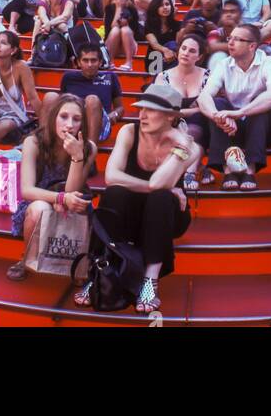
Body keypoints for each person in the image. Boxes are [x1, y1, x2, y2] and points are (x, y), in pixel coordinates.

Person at [76, 83, 193, 315]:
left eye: (151, 110)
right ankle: (99, 271)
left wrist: (165, 187)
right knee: (115, 192)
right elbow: (111, 176)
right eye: (142, 108)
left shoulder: (185, 144)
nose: (142, 114)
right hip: (131, 213)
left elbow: (157, 184)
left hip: (167, 215)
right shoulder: (129, 131)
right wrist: (168, 189)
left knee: (160, 197)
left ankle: (151, 279)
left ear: (170, 116)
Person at [6, 94, 96, 281]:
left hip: (73, 198)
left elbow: (72, 190)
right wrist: (59, 199)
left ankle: (75, 262)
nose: (69, 124)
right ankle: (26, 258)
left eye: (76, 119)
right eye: (63, 116)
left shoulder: (88, 147)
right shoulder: (34, 142)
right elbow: (27, 190)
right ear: (54, 117)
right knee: (40, 209)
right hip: (39, 199)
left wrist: (77, 157)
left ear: (83, 124)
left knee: (81, 207)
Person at [198, 24, 271, 189]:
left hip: (267, 130)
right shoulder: (224, 64)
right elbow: (204, 95)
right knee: (217, 104)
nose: (230, 43)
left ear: (252, 46)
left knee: (260, 102)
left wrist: (240, 113)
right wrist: (218, 116)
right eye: (230, 38)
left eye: (237, 39)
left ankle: (250, 170)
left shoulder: (268, 62)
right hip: (234, 129)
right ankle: (227, 169)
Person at [156, 32, 211, 186]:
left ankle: (189, 173)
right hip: (171, 125)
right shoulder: (163, 77)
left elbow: (210, 107)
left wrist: (198, 111)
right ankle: (196, 168)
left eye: (192, 51)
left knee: (195, 128)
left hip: (201, 127)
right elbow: (165, 111)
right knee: (188, 126)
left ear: (199, 56)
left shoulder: (208, 76)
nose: (186, 53)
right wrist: (196, 109)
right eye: (183, 48)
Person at [52, 41, 124, 144]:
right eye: (85, 60)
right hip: (71, 123)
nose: (89, 64)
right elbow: (61, 105)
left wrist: (114, 114)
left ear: (100, 62)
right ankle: (46, 145)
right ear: (78, 62)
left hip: (98, 124)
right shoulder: (68, 77)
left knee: (92, 100)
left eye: (93, 60)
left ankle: (90, 149)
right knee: (51, 97)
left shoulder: (110, 77)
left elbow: (120, 107)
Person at [103, 0, 141, 69]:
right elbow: (109, 30)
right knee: (115, 30)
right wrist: (119, 8)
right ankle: (110, 62)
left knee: (125, 29)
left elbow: (136, 33)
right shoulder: (109, 8)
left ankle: (129, 62)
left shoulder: (132, 9)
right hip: (111, 44)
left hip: (128, 45)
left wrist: (127, 23)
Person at [141, 0, 180, 68]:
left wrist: (171, 53)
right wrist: (166, 51)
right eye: (161, 5)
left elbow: (178, 44)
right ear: (155, 8)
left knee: (173, 45)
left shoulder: (176, 24)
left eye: (167, 4)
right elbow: (154, 45)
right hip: (154, 59)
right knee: (171, 45)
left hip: (172, 57)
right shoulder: (149, 24)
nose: (165, 7)